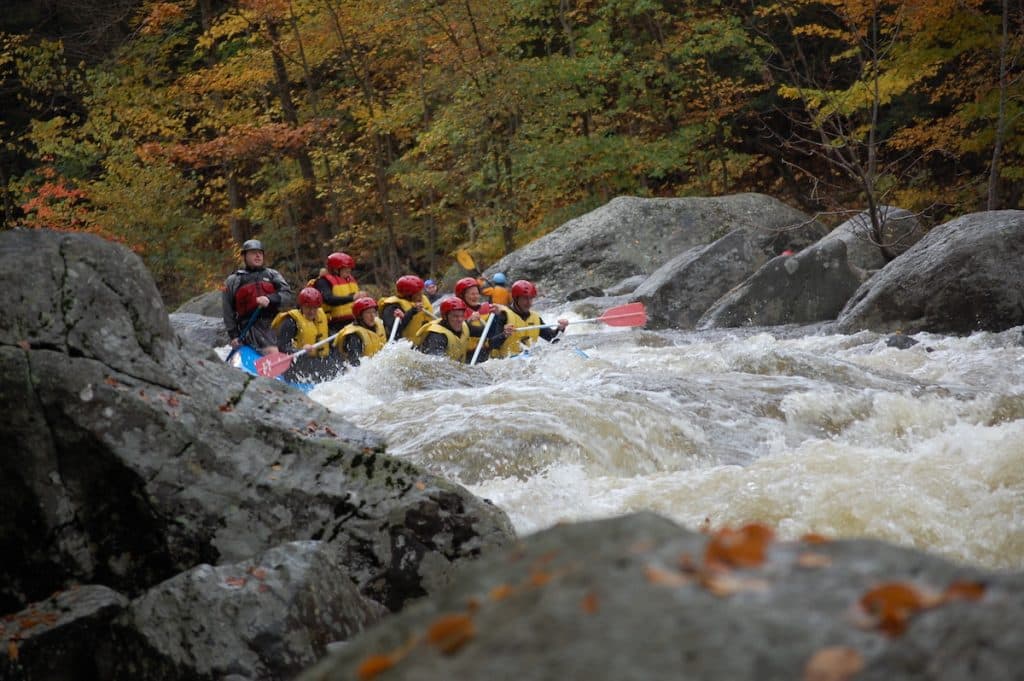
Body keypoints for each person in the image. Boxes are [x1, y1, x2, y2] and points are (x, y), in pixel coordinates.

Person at [222, 239, 292, 354]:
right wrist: (233, 335)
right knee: (273, 351)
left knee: (287, 347)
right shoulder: (233, 281)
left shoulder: (272, 275)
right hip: (250, 326)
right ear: (245, 256)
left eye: (260, 252)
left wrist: (270, 299)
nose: (258, 255)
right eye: (253, 252)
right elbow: (227, 311)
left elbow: (287, 295)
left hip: (273, 321)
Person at [485, 279, 568, 359]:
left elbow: (552, 338)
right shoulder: (503, 315)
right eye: (525, 298)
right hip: (504, 362)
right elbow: (491, 344)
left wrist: (560, 328)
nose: (529, 303)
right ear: (516, 299)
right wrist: (504, 334)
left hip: (525, 360)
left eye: (530, 298)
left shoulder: (535, 318)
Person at [271, 287, 340, 381]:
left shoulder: (320, 317)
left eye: (314, 308)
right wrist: (299, 350)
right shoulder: (291, 322)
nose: (311, 311)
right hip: (298, 365)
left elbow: (327, 342)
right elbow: (282, 347)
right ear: (301, 306)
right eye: (308, 307)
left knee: (339, 368)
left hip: (319, 361)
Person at [314, 251, 365, 333]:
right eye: (345, 268)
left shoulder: (350, 280)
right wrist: (352, 298)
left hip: (351, 322)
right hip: (332, 324)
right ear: (335, 269)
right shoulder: (323, 281)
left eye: (349, 268)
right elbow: (328, 299)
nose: (349, 270)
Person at [378, 275, 435, 342]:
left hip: (424, 343)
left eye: (421, 292)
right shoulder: (392, 307)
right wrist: (412, 312)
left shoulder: (423, 299)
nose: (421, 295)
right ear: (408, 295)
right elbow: (394, 331)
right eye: (418, 293)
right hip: (404, 346)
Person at [335, 297, 386, 367]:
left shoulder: (378, 325)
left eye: (374, 312)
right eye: (368, 312)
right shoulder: (353, 336)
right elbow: (354, 363)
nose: (372, 316)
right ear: (360, 316)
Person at [454, 276, 494, 362]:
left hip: (486, 352)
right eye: (472, 294)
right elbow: (455, 331)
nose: (475, 296)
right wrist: (468, 321)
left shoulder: (488, 309)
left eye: (477, 293)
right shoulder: (456, 313)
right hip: (468, 355)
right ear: (462, 296)